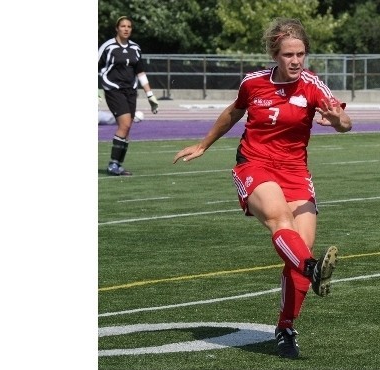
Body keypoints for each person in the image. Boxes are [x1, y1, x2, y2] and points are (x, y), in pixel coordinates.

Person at [172, 17, 352, 359]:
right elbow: (233, 111)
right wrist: (203, 144)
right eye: (288, 55)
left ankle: (285, 328)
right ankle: (314, 270)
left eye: (301, 54)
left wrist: (337, 120)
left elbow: (344, 121)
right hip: (254, 165)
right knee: (281, 221)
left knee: (298, 249)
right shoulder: (254, 83)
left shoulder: (314, 85)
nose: (296, 61)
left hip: (296, 172)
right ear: (275, 54)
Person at [98, 15, 159, 176]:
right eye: (123, 26)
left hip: (131, 91)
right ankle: (112, 164)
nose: (126, 29)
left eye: (129, 27)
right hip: (113, 89)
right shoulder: (108, 47)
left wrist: (150, 95)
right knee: (124, 124)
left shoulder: (135, 48)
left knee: (127, 127)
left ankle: (118, 164)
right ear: (117, 28)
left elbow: (140, 72)